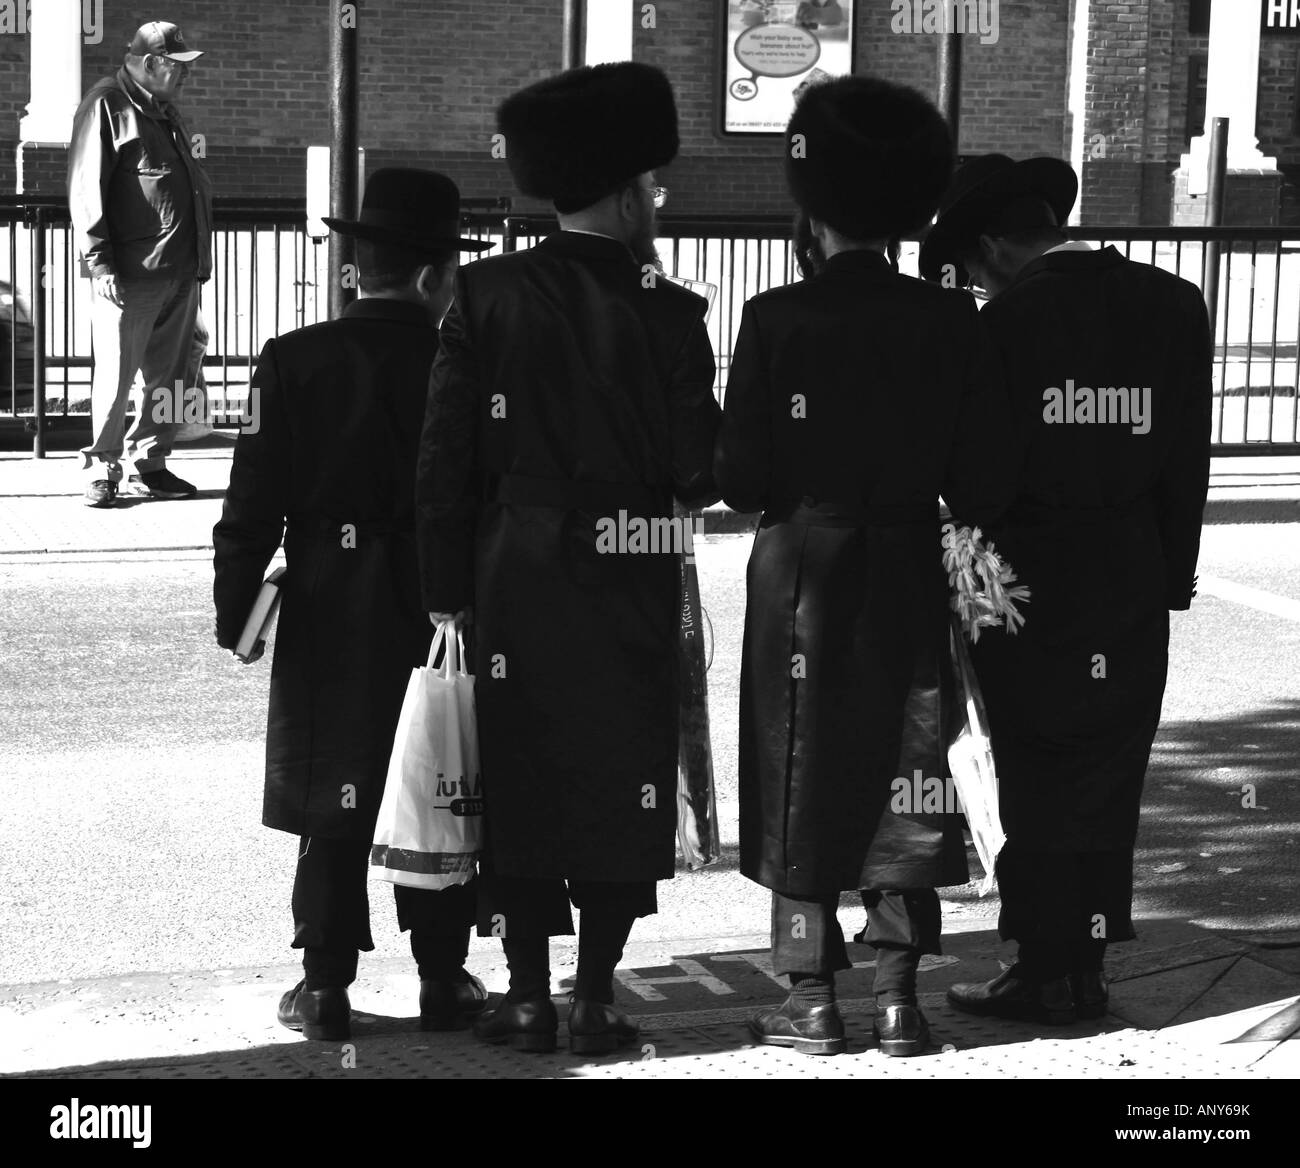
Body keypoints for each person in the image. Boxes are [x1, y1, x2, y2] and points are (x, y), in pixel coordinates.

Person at [417, 61, 721, 1055]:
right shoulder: (672, 312)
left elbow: (444, 460)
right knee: (621, 774)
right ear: (631, 194)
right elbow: (694, 470)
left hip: (516, 565)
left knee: (523, 771)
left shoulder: (484, 291)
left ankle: (526, 994)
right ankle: (595, 996)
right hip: (630, 565)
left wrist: (447, 596)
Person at [715, 76, 1016, 1057]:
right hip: (903, 561)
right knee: (908, 769)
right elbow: (979, 480)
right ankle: (897, 998)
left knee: (794, 775)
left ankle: (809, 995)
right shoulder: (949, 320)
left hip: (801, 561)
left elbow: (738, 477)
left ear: (813, 206)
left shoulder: (773, 319)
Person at [919, 154, 1212, 1025]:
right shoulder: (1174, 303)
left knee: (1029, 767)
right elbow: (1186, 459)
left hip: (1019, 577)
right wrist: (1170, 573)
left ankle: (1044, 964)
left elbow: (978, 483)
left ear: (995, 247)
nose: (972, 282)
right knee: (1108, 770)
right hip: (1126, 568)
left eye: (971, 266)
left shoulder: (1002, 323)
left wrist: (963, 581)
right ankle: (1084, 959)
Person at [213, 169, 494, 1041]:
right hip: (437, 600)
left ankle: (326, 984)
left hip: (330, 602)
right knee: (433, 778)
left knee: (334, 794)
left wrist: (239, 618)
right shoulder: (464, 362)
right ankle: (444, 980)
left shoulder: (290, 360)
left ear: (357, 265)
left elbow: (250, 505)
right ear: (429, 276)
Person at [68, 21, 214, 508]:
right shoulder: (107, 104)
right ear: (151, 62)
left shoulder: (163, 109)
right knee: (115, 373)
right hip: (129, 271)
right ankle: (102, 467)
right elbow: (88, 188)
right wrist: (100, 263)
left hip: (176, 268)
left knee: (168, 378)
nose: (186, 76)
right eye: (179, 65)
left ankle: (149, 464)